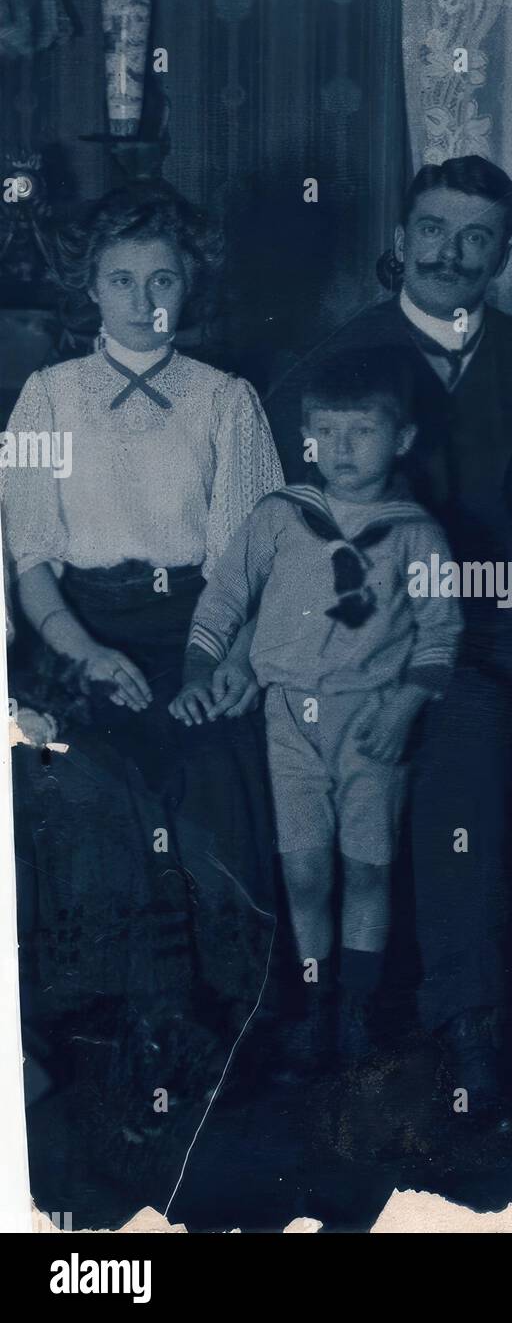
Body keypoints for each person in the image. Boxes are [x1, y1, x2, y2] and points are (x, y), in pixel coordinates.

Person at [268, 156, 512, 1109]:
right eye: (435, 230)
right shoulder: (338, 364)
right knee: (471, 735)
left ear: (504, 253)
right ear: (402, 239)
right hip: (395, 639)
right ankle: (468, 1021)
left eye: (477, 237)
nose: (453, 253)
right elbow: (295, 516)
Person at [2, 185, 284, 1126]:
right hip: (77, 637)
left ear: (191, 283)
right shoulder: (47, 398)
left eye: (163, 277)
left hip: (194, 637)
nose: (142, 297)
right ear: (90, 286)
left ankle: (201, 1024)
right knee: (89, 775)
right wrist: (84, 655)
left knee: (212, 767)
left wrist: (210, 668)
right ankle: (127, 1017)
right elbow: (33, 566)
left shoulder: (226, 401)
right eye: (121, 278)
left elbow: (246, 564)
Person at [177, 349, 462, 1068]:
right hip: (288, 721)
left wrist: (405, 705)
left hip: (370, 723)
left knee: (367, 868)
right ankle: (315, 1004)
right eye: (323, 433)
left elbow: (441, 631)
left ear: (401, 440)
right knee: (304, 872)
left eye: (360, 432)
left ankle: (361, 1015)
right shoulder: (279, 517)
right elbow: (225, 597)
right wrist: (197, 671)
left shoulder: (416, 533)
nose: (339, 450)